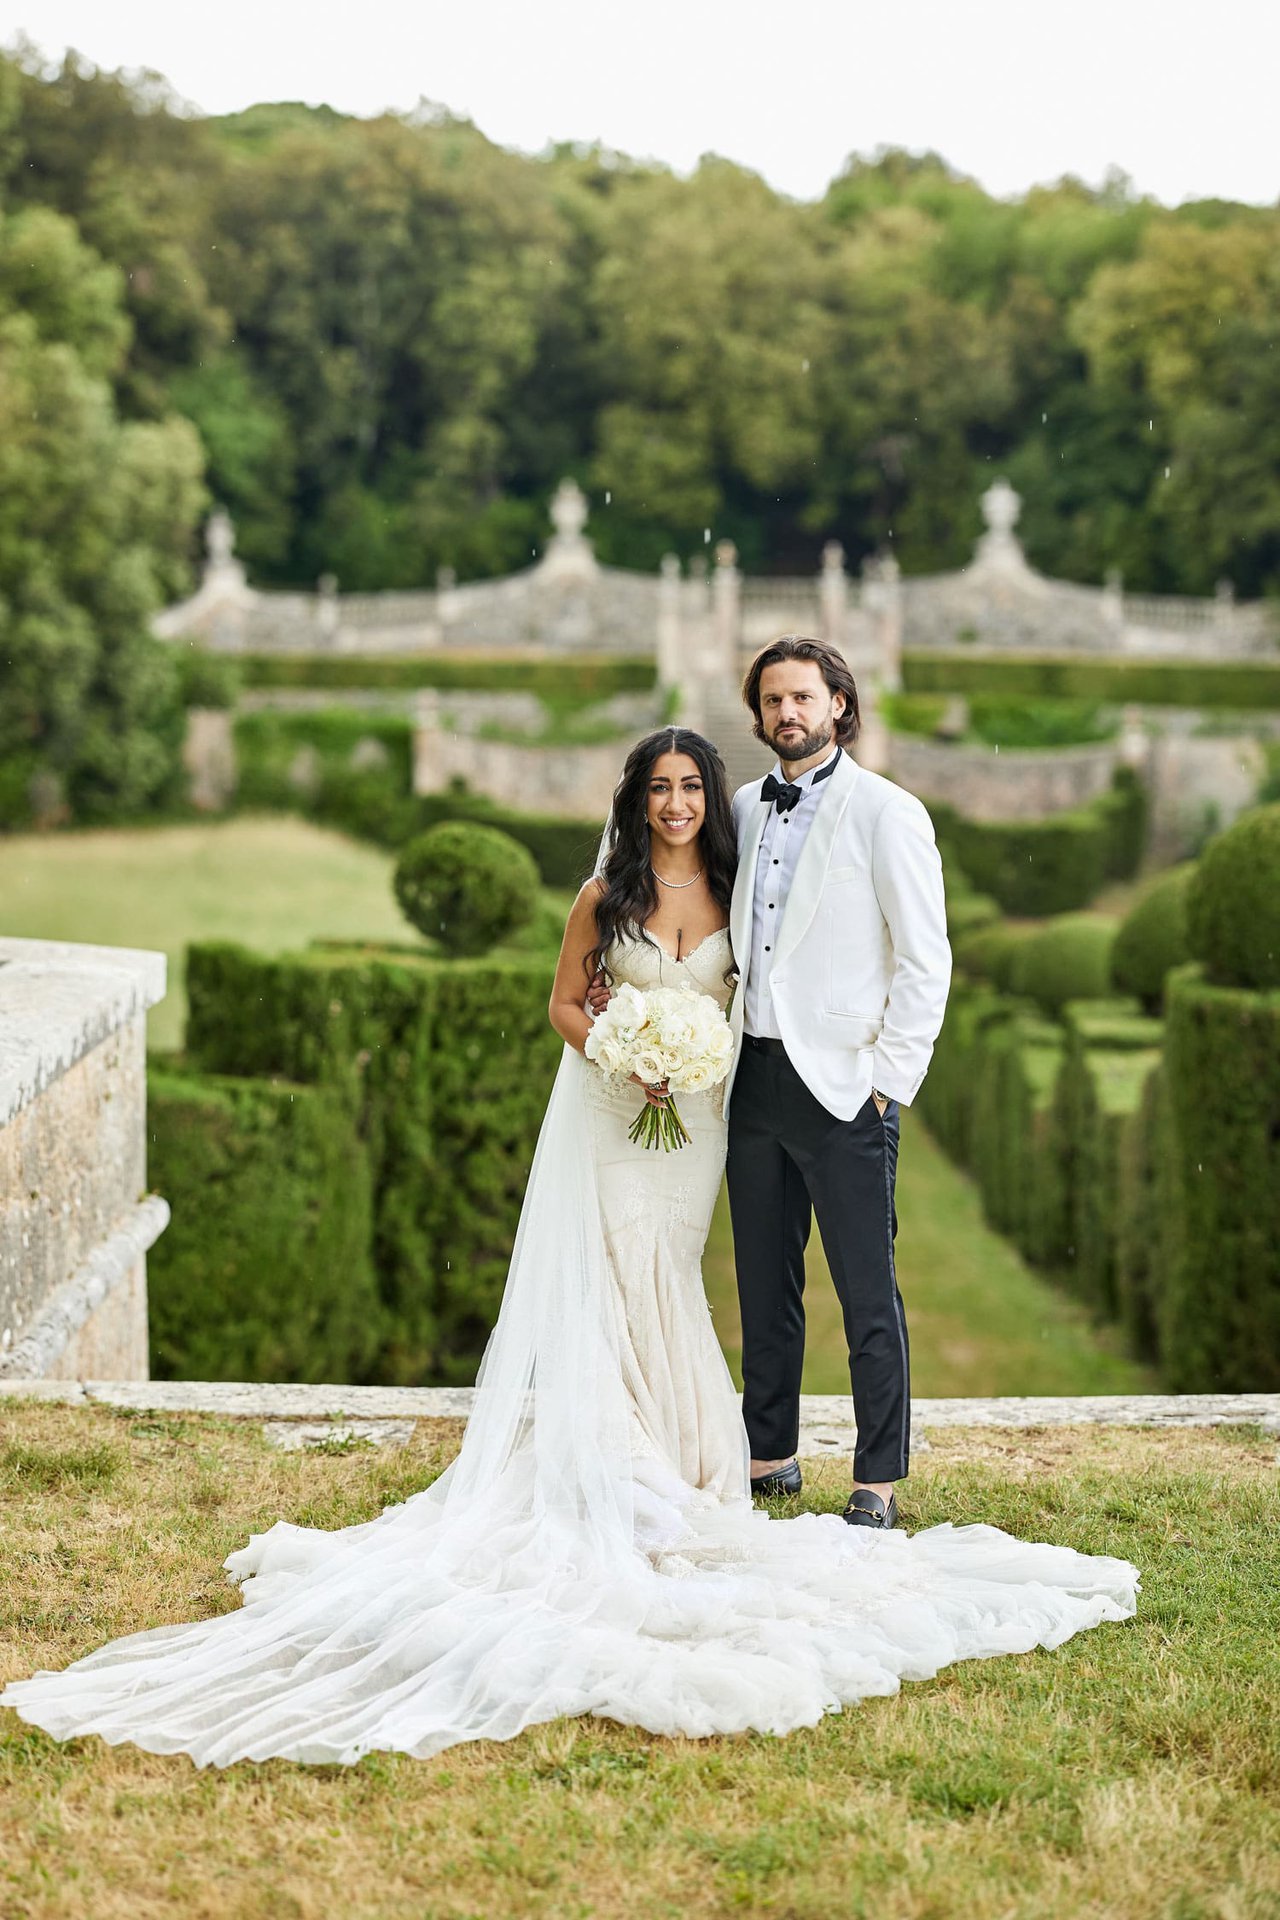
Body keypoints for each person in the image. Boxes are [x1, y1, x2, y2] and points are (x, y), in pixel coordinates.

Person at [0, 727, 1138, 1769]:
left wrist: (710, 1063)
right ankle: (622, 1447)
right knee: (607, 1269)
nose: (681, 802)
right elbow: (564, 1004)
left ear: (711, 800)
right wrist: (620, 1050)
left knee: (672, 1273)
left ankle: (687, 1448)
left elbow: (784, 980)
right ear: (637, 801)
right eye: (662, 788)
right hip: (614, 1108)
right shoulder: (605, 892)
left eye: (694, 786)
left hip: (693, 1121)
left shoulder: (743, 889)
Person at [725, 634, 950, 1530]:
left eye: (804, 699)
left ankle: (878, 1478)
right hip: (752, 1078)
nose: (789, 713)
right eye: (774, 700)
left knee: (866, 1289)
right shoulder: (740, 805)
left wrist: (888, 1085)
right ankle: (770, 1455)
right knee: (762, 1285)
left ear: (839, 708)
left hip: (848, 1088)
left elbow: (925, 961)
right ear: (759, 714)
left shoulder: (888, 813)